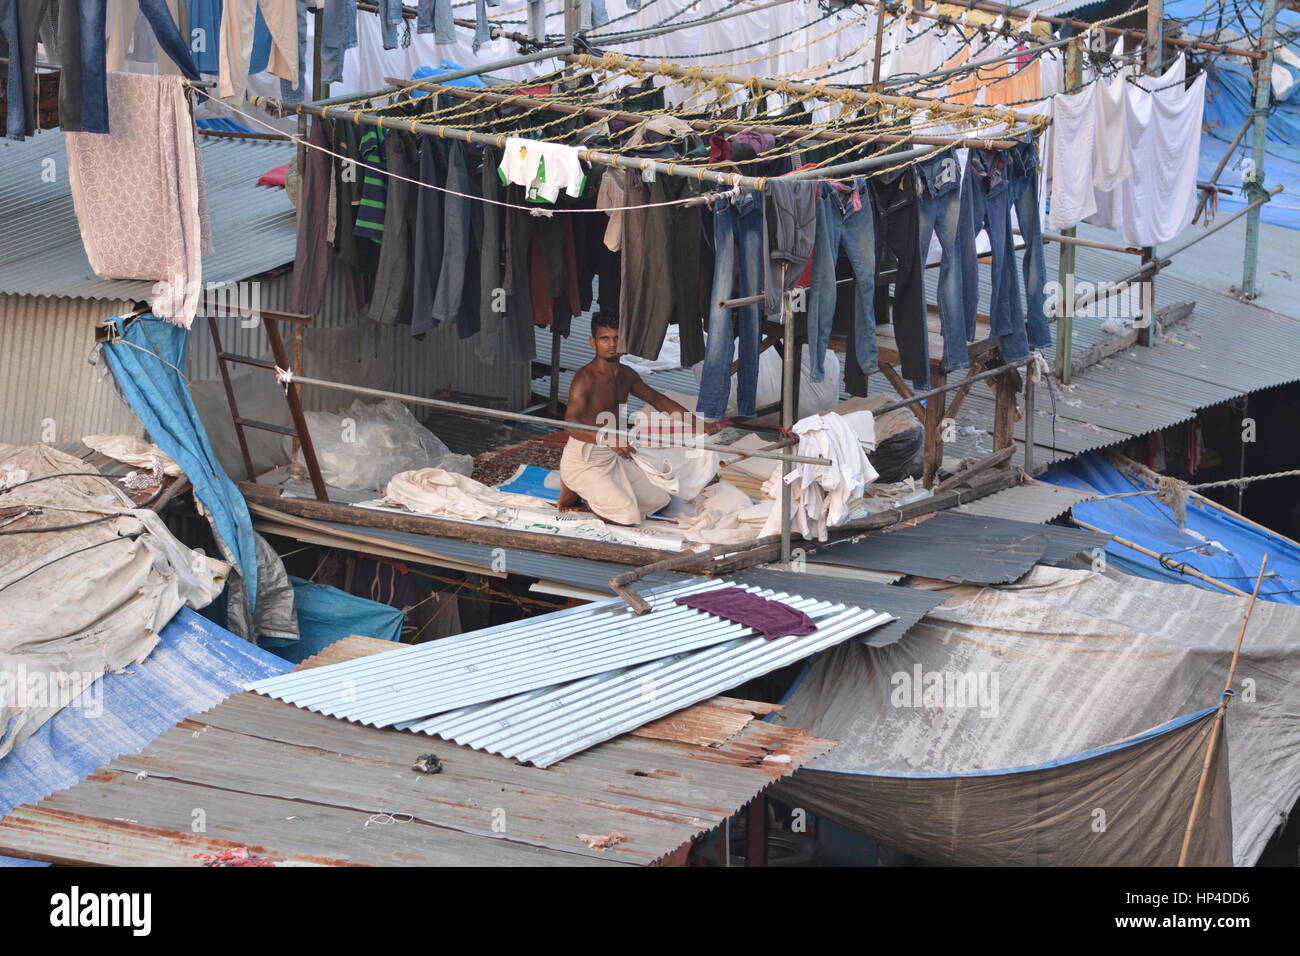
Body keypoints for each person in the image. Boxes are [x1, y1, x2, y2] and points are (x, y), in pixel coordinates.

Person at [559, 313, 722, 525]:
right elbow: (569, 425)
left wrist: (699, 424)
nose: (612, 344)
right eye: (605, 338)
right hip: (586, 457)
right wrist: (606, 439)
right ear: (593, 342)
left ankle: (593, 491)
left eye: (617, 338)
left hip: (614, 455)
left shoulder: (627, 374)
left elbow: (657, 399)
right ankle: (581, 488)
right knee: (628, 516)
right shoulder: (585, 378)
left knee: (660, 501)